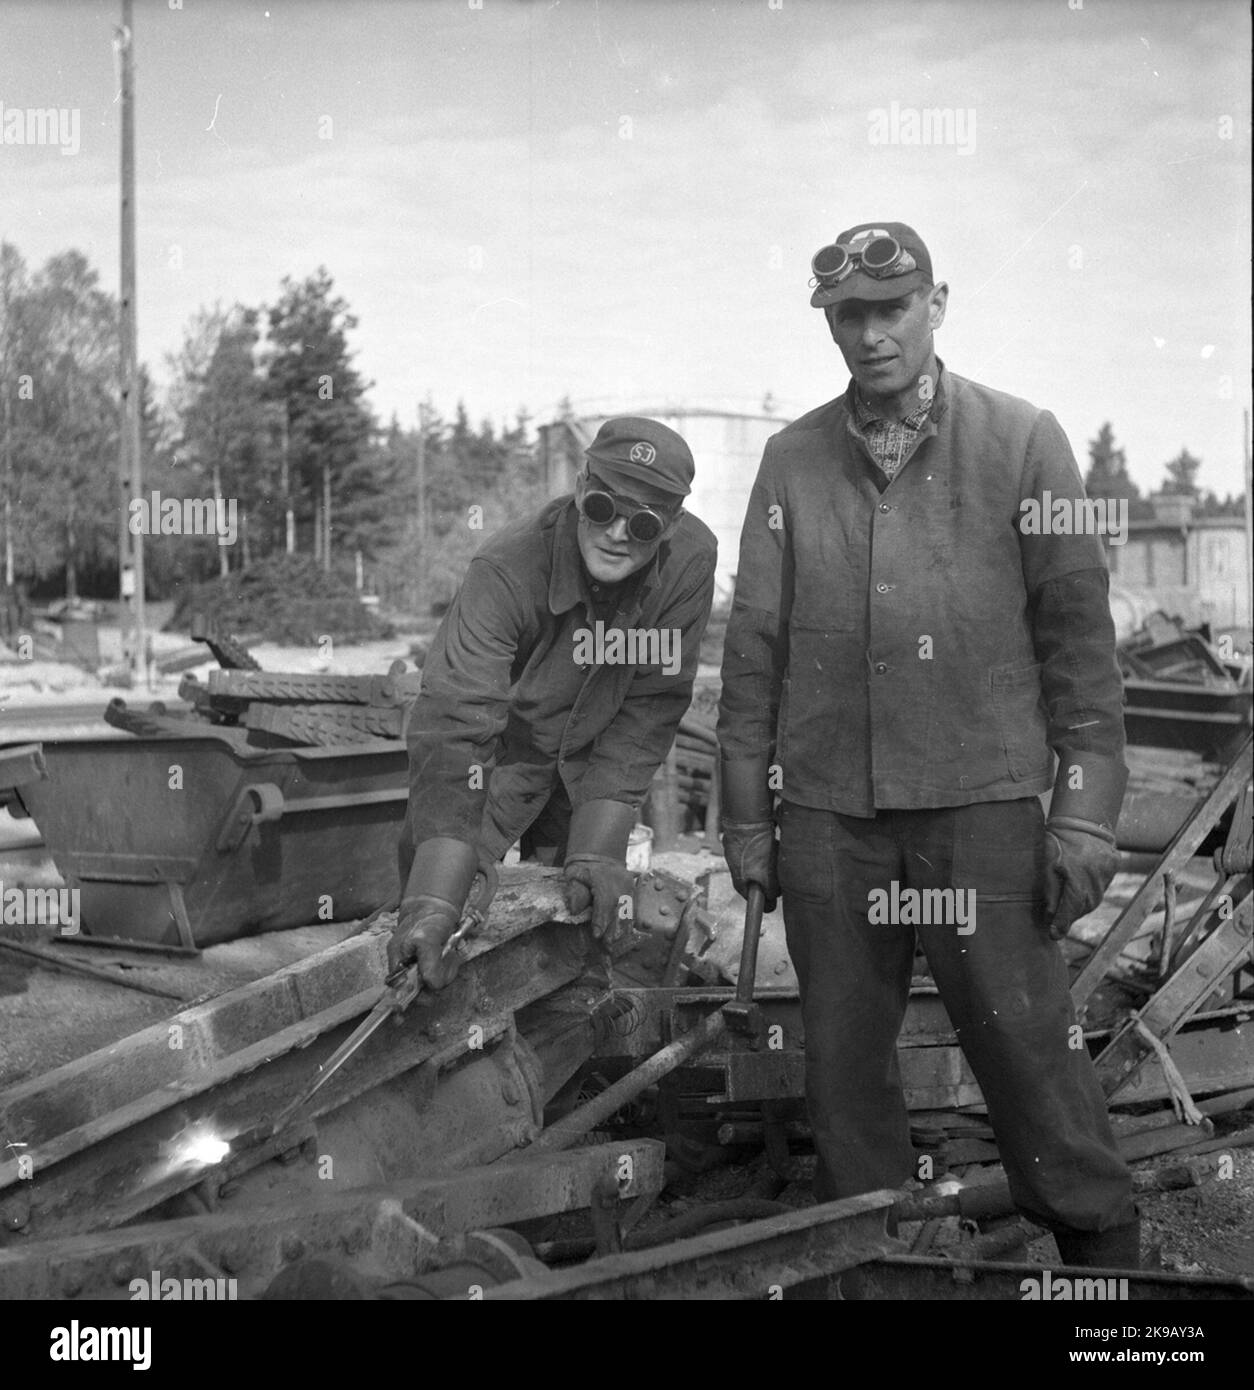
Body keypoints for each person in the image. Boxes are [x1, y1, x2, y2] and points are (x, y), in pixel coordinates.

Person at [717, 222, 1139, 1266]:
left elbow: (1080, 646)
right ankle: (874, 1271)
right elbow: (753, 655)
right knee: (845, 1077)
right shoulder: (790, 459)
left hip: (980, 813)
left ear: (937, 303)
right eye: (848, 316)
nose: (869, 334)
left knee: (1027, 1048)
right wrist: (745, 818)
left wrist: (1083, 814)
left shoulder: (1023, 440)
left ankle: (1106, 1271)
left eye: (890, 309)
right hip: (828, 823)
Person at [393, 416, 716, 989]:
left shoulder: (689, 563)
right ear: (579, 486)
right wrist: (435, 893)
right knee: (430, 939)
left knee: (577, 960)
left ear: (670, 526)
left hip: (587, 777)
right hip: (489, 772)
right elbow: (455, 727)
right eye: (601, 508)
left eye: (642, 524)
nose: (617, 533)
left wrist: (597, 849)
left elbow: (650, 708)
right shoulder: (508, 567)